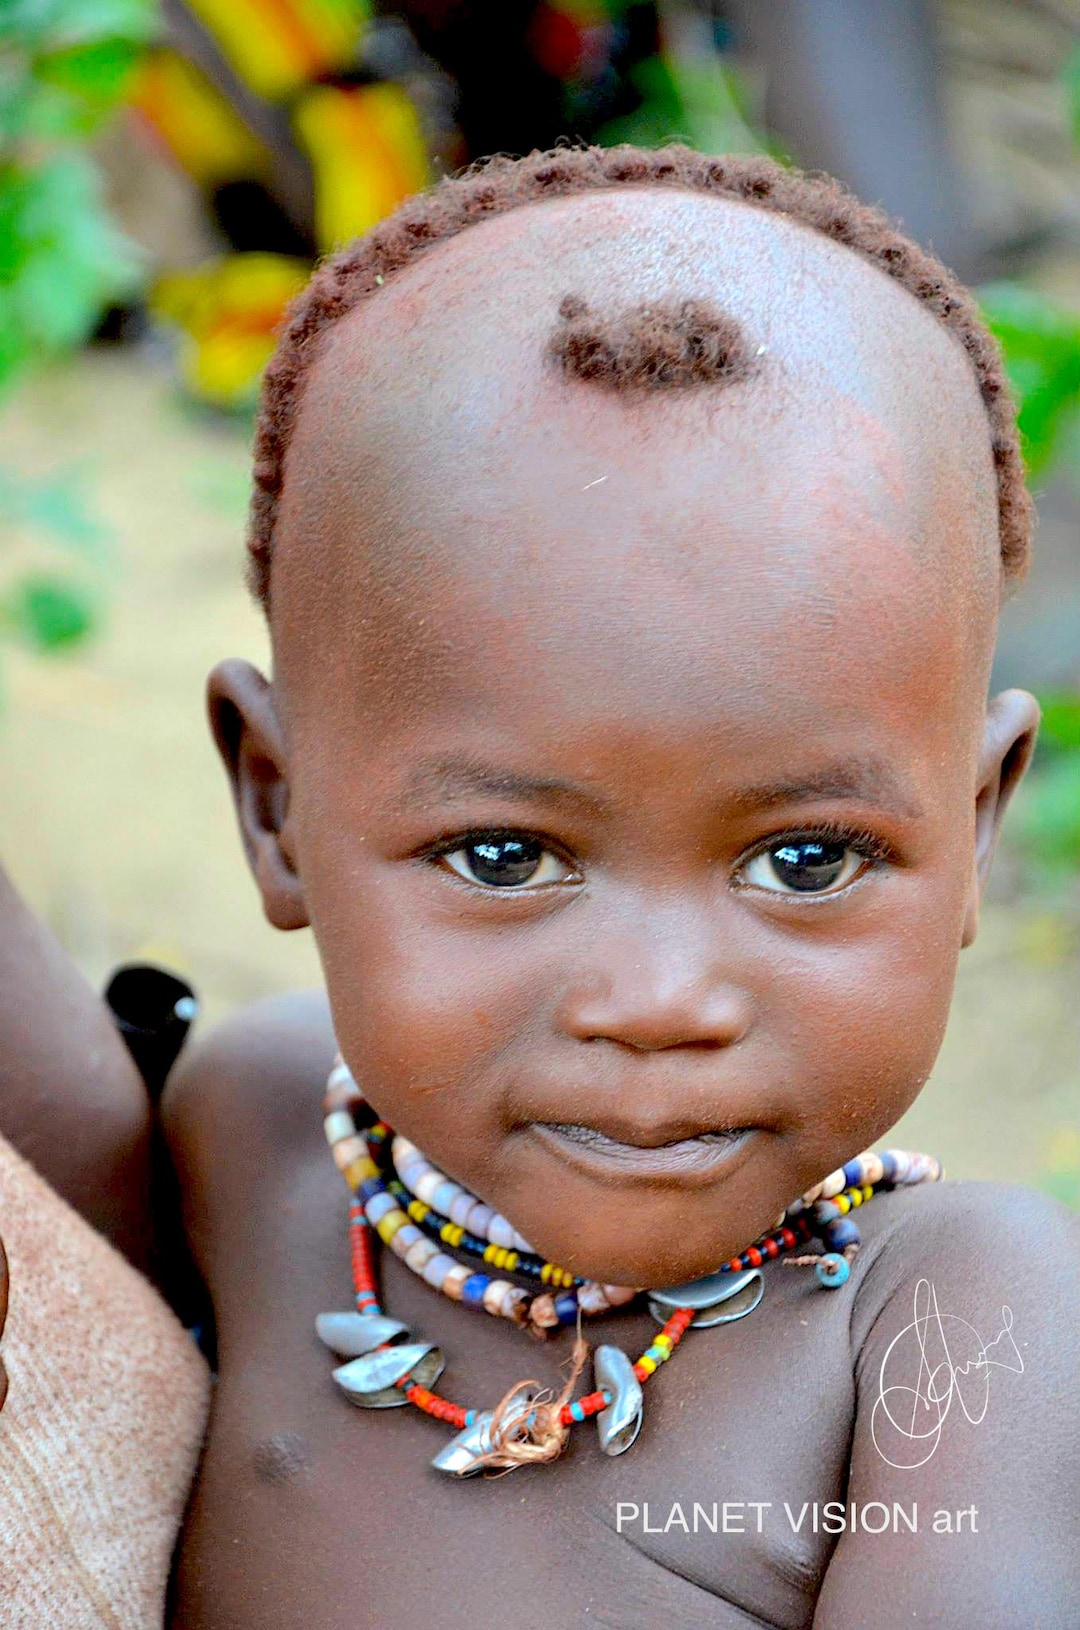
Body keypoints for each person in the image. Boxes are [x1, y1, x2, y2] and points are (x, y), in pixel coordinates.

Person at [5, 143, 1077, 1627]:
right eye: (505, 855)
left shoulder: (955, 1327)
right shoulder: (263, 1136)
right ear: (276, 805)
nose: (660, 1004)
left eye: (807, 858)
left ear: (976, 822)